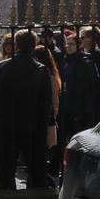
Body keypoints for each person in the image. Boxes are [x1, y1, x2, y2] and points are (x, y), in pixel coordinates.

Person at [0, 29, 53, 190]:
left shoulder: (1, 68)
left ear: (16, 45)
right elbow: (46, 102)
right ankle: (37, 197)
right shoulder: (40, 70)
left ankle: (4, 195)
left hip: (6, 124)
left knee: (5, 170)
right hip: (33, 126)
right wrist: (42, 122)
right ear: (34, 45)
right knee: (36, 168)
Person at [33, 44, 63, 181]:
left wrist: (53, 115)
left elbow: (54, 99)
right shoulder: (48, 73)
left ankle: (45, 175)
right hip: (46, 116)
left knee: (44, 148)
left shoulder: (48, 75)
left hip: (46, 117)